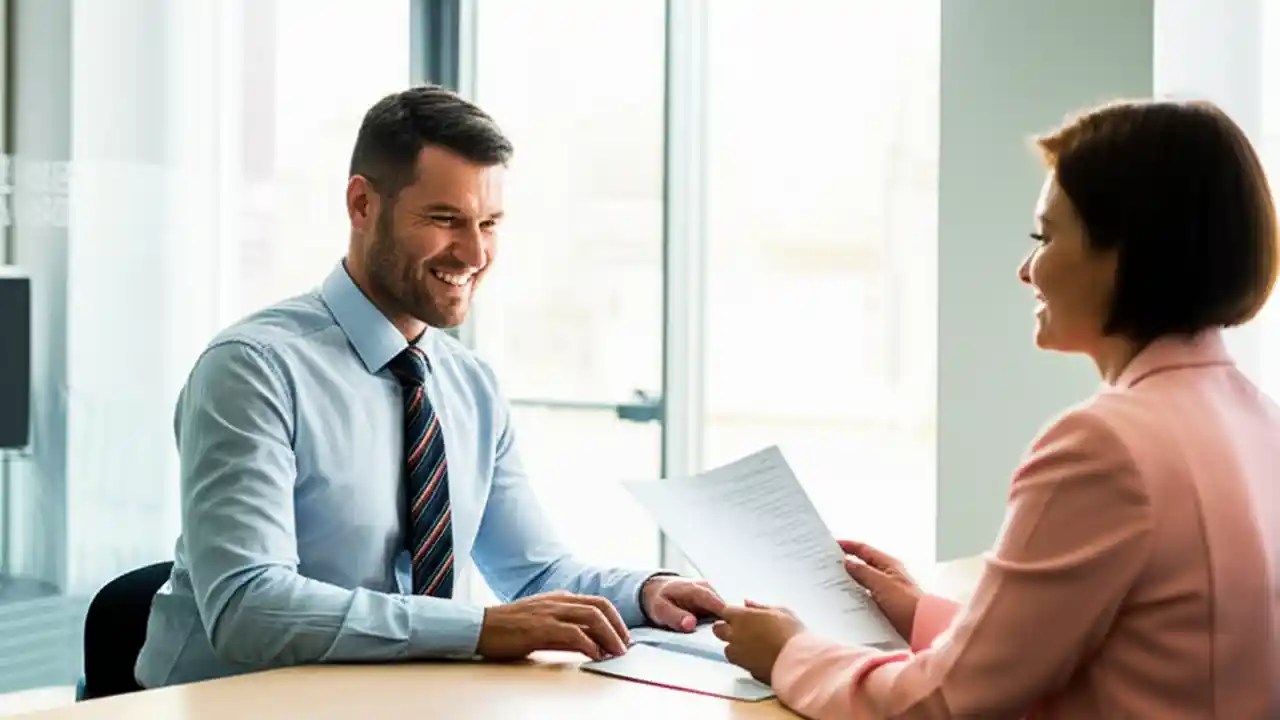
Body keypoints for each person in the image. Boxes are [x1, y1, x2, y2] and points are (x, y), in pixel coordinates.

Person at [134, 85, 723, 688]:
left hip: (399, 698)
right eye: (445, 220)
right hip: (227, 704)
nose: (474, 253)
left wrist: (647, 593)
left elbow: (535, 575)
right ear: (362, 205)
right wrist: (480, 630)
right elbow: (248, 608)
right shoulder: (253, 370)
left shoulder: (471, 385)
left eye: (489, 224)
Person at [714, 99, 1280, 718]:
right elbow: (1130, 648)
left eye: (1045, 237)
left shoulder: (1105, 446)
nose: (1025, 271)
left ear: (1127, 251)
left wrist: (791, 653)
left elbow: (944, 705)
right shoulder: (1256, 421)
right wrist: (923, 614)